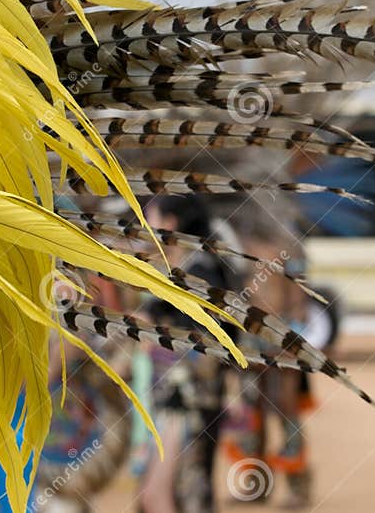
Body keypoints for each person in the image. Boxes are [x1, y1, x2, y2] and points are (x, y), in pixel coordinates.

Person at [138, 194, 231, 513]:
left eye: (150, 218)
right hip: (171, 398)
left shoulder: (200, 271)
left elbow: (209, 343)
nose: (144, 226)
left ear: (170, 224)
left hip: (188, 401)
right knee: (168, 494)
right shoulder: (172, 266)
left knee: (177, 493)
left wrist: (157, 336)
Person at [224, 227, 313, 508]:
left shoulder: (287, 246)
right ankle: (256, 485)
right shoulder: (234, 242)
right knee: (253, 413)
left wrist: (293, 336)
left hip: (281, 336)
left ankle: (298, 489)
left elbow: (300, 298)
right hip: (250, 339)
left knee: (286, 410)